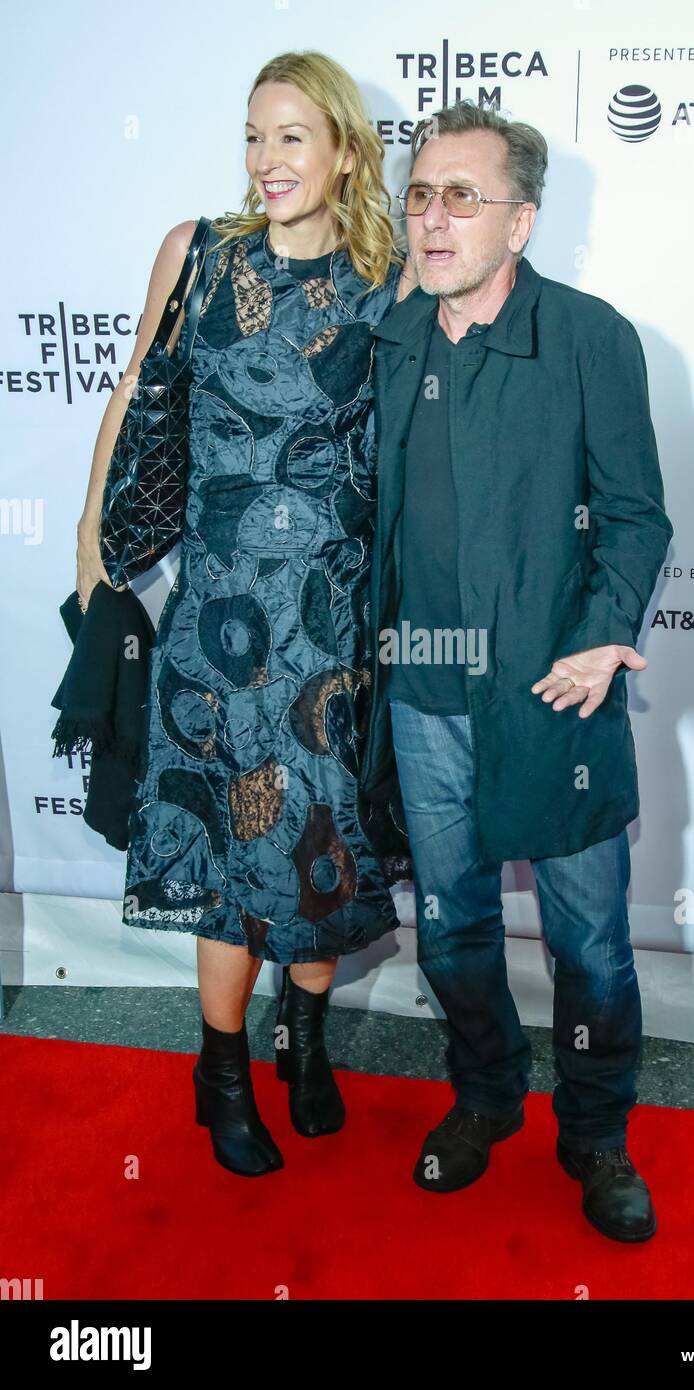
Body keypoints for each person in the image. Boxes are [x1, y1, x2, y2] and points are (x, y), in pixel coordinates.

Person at [75, 51, 416, 1178]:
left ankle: (301, 1043)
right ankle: (219, 1069)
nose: (267, 162)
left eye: (291, 137)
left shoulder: (388, 276)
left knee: (325, 847)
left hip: (331, 618)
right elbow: (137, 394)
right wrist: (95, 549)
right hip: (219, 611)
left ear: (342, 149)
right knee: (231, 852)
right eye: (253, 136)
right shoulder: (199, 255)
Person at [360, 99, 674, 1242]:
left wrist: (599, 635)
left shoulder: (589, 338)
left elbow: (635, 517)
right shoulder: (388, 339)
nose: (431, 219)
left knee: (588, 940)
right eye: (420, 195)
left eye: (462, 197)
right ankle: (484, 1096)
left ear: (522, 221)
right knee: (451, 931)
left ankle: (595, 1136)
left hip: (553, 696)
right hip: (422, 697)